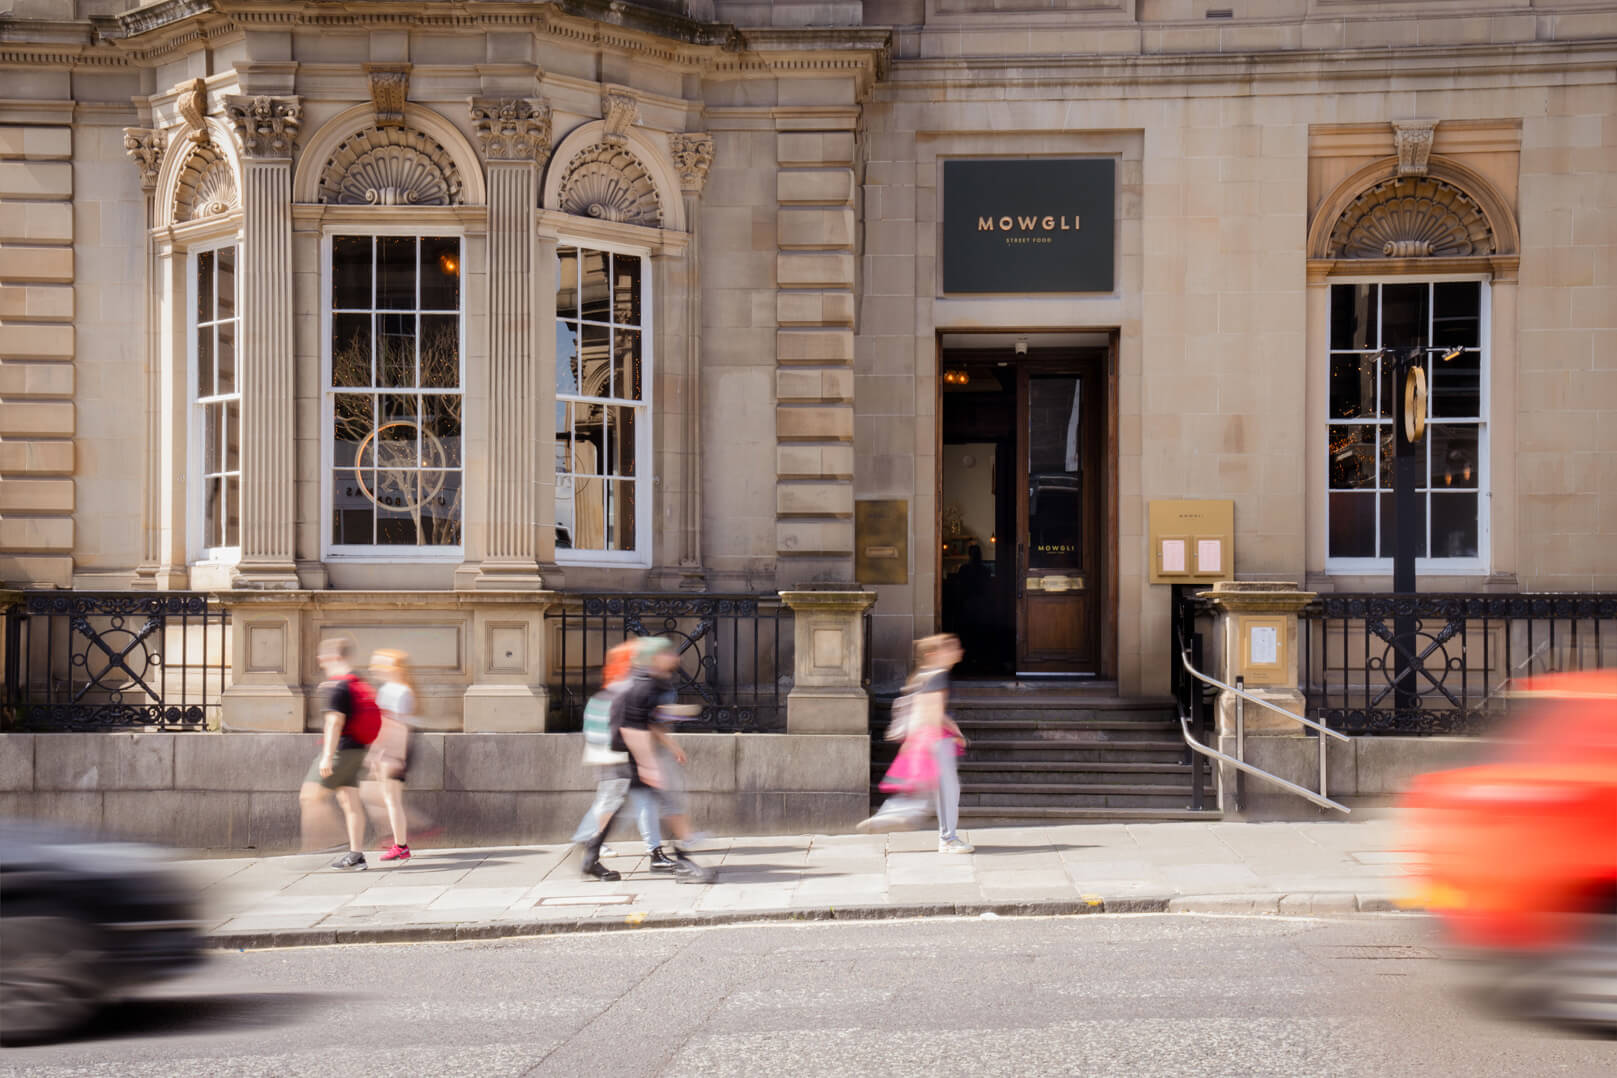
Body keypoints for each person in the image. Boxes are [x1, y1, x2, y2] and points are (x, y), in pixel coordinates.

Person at [856, 633, 972, 853]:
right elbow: (934, 712)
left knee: (925, 789)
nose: (958, 652)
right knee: (947, 791)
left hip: (924, 738)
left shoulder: (922, 676)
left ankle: (889, 815)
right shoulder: (938, 676)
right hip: (937, 740)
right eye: (952, 648)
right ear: (935, 653)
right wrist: (955, 732)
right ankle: (948, 839)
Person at [614, 637, 716, 884]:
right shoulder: (643, 684)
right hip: (642, 755)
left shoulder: (656, 681)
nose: (674, 656)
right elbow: (635, 727)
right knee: (644, 806)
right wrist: (648, 764)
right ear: (655, 657)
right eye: (667, 653)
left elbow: (654, 721)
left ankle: (678, 852)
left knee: (659, 805)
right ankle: (593, 845)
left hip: (650, 754)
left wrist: (672, 743)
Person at [300, 637, 383, 871]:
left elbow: (334, 722)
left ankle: (329, 843)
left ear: (332, 657)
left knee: (309, 796)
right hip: (357, 749)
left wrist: (327, 756)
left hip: (340, 750)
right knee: (349, 802)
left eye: (322, 658)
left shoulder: (338, 687)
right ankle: (356, 855)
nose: (320, 661)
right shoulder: (355, 682)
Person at [368, 649, 419, 863]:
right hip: (386, 750)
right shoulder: (390, 689)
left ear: (395, 669)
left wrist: (393, 756)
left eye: (382, 665)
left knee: (391, 800)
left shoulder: (400, 692)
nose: (376, 669)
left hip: (393, 751)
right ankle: (400, 838)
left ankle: (401, 845)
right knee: (384, 798)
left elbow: (399, 726)